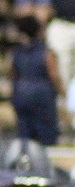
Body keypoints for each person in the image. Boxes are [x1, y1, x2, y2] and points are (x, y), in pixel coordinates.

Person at [13, 14, 64, 145]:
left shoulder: (17, 52)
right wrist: (62, 92)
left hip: (21, 92)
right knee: (46, 134)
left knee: (24, 134)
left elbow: (12, 73)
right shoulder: (46, 52)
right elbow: (53, 75)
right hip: (42, 94)